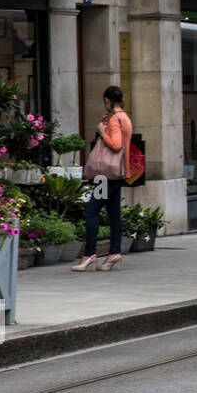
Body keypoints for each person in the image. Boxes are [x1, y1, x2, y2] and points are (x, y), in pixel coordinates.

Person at [73, 86, 133, 272]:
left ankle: (89, 254)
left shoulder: (115, 120)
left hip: (104, 175)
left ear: (107, 100)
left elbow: (115, 145)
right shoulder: (125, 118)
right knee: (114, 213)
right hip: (117, 172)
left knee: (91, 211)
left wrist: (101, 130)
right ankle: (114, 253)